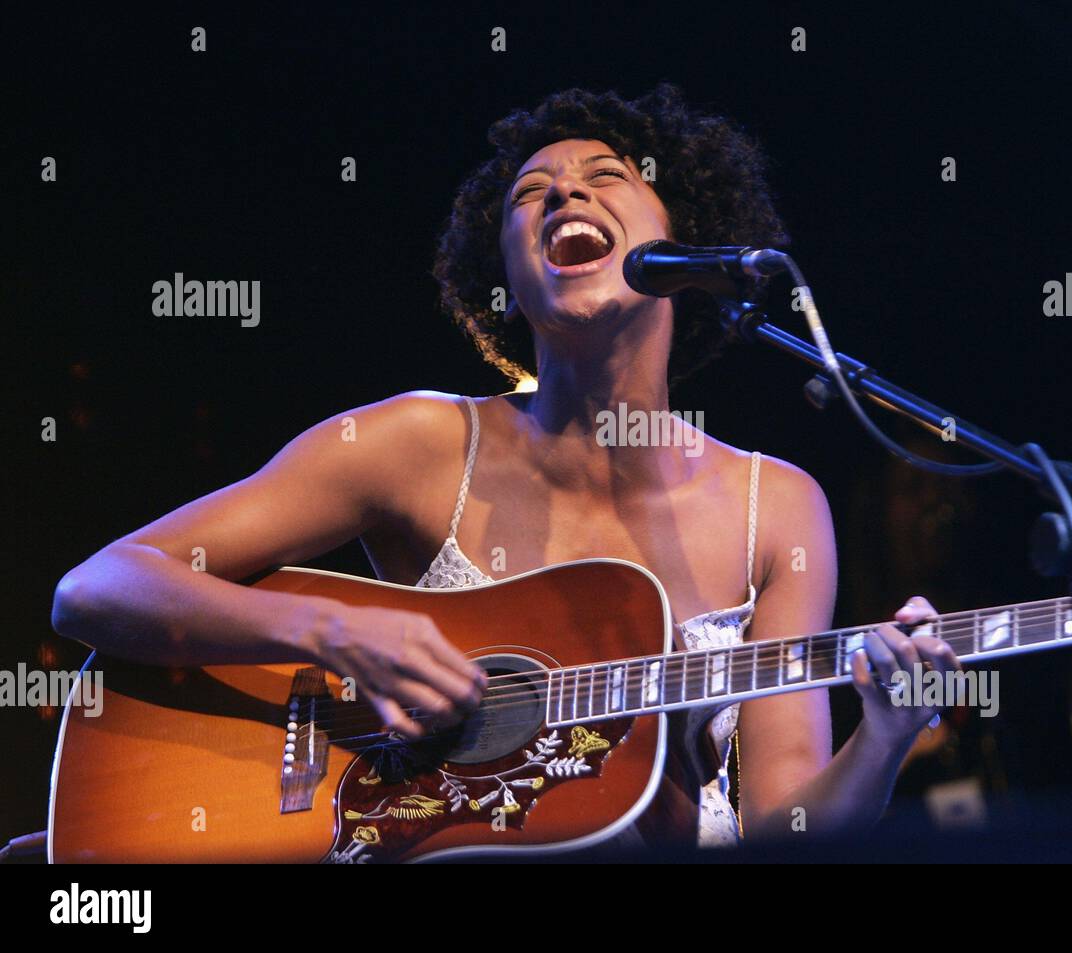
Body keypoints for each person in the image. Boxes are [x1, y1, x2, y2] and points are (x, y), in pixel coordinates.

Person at [51, 84, 960, 848]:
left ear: (683, 240)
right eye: (534, 193)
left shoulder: (779, 507)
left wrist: (886, 732)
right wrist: (332, 630)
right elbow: (99, 587)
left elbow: (784, 827)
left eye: (608, 178)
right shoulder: (417, 444)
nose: (568, 197)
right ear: (506, 274)